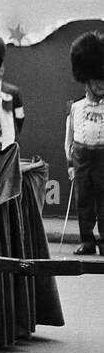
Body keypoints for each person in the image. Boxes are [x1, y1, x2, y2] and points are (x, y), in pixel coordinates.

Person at [66, 32, 104, 255]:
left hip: (103, 156)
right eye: (96, 80)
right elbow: (69, 138)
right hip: (82, 157)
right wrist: (70, 162)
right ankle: (87, 241)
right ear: (86, 80)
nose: (100, 84)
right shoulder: (76, 107)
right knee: (84, 201)